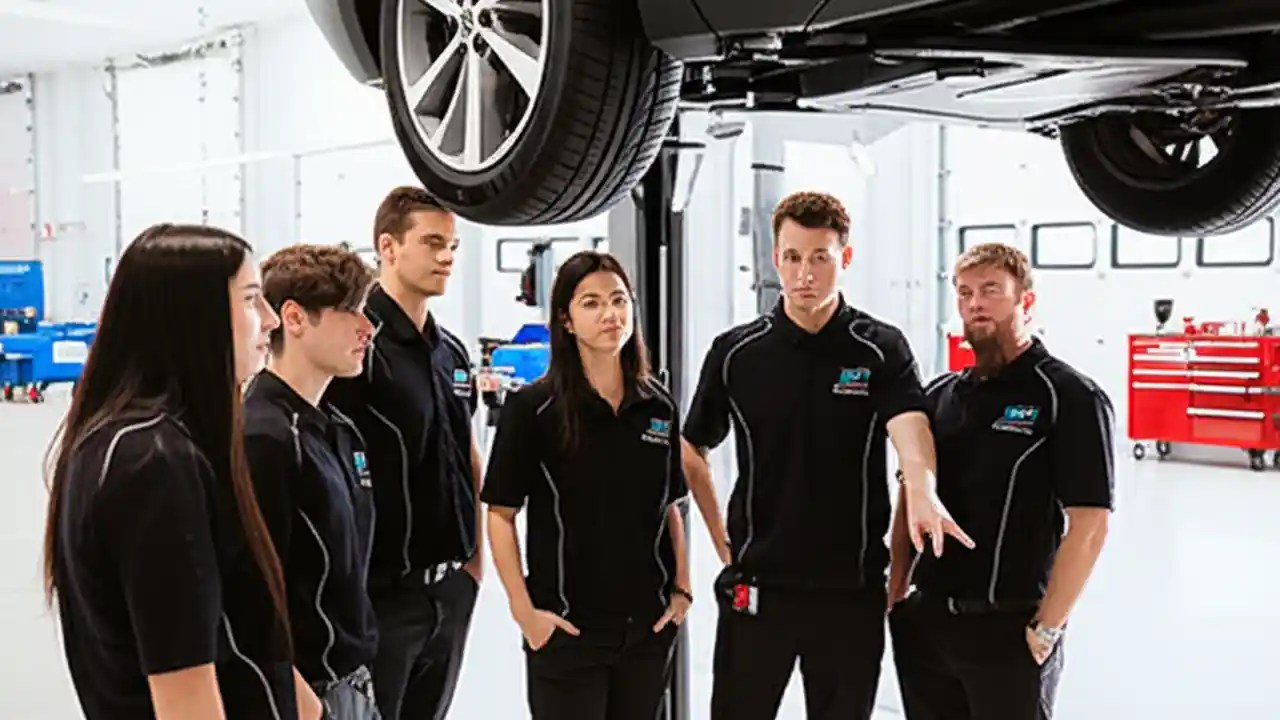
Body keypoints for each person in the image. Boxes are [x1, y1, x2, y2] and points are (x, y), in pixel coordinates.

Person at [681, 190, 971, 720]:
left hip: (849, 593)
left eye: (820, 257)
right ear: (776, 258)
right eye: (792, 257)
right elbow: (691, 446)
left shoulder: (879, 347)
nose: (804, 274)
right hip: (758, 589)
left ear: (846, 257)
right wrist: (722, 536)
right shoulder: (737, 353)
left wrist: (924, 489)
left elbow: (909, 429)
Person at [42, 223, 316, 720]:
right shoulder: (153, 463)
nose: (270, 319)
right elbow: (185, 692)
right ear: (192, 317)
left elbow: (240, 633)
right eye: (250, 299)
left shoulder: (144, 443)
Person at [888, 242, 1113, 720]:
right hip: (927, 628)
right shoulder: (939, 396)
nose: (975, 303)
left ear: (1025, 300)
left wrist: (1047, 628)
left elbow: (1090, 525)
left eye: (991, 289)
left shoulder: (1069, 397)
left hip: (1009, 632)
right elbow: (910, 494)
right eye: (965, 292)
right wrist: (897, 595)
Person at [482, 250, 692, 720]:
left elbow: (670, 504)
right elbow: (500, 513)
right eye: (591, 303)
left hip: (647, 631)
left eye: (618, 300)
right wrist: (525, 612)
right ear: (567, 320)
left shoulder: (657, 405)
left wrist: (682, 590)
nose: (610, 314)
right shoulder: (534, 409)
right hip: (567, 632)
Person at [324, 187, 484, 720]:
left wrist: (474, 564)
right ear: (388, 247)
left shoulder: (451, 352)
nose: (447, 257)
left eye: (453, 246)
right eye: (433, 243)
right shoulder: (356, 348)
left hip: (450, 591)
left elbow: (466, 453)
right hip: (380, 599)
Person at [243, 244, 381, 718]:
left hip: (355, 680)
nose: (367, 327)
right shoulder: (262, 438)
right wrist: (306, 705)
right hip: (305, 692)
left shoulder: (338, 430)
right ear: (295, 318)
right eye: (350, 311)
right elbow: (250, 601)